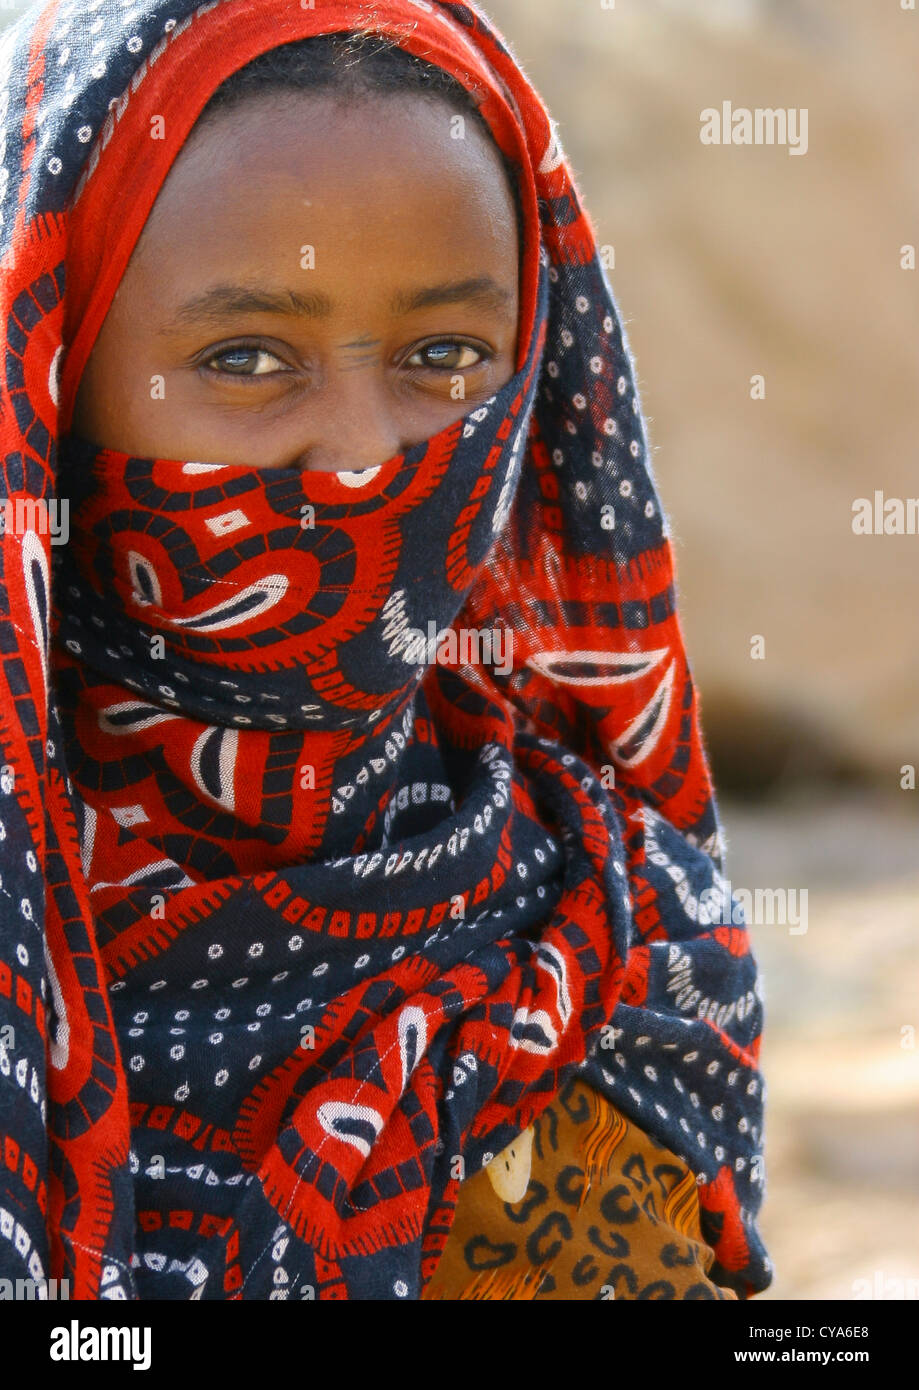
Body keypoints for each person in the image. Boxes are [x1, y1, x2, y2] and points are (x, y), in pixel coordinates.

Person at [0, 0, 771, 1301]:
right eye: (247, 356)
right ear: (54, 383)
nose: (362, 452)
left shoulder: (613, 940)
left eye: (444, 355)